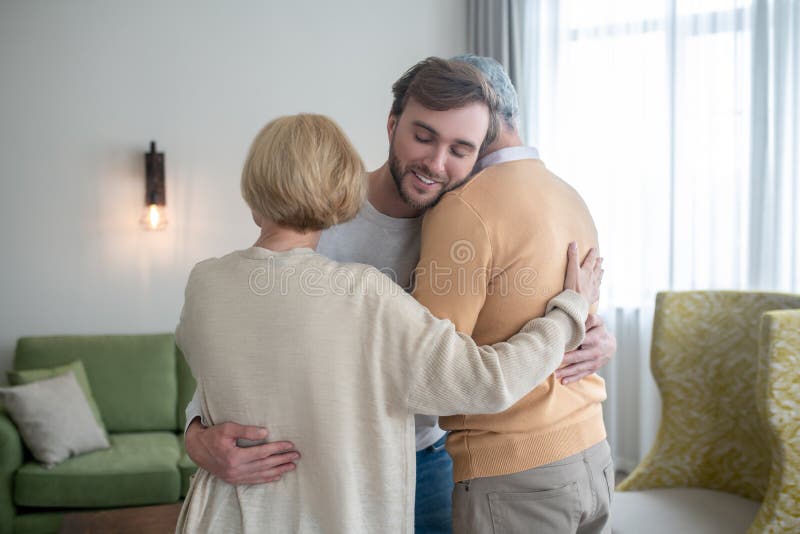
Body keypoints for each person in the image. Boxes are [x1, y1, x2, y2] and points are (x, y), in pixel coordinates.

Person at [183, 57, 617, 533]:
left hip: (428, 457)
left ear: (479, 156)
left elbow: (524, 307)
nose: (436, 163)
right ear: (393, 125)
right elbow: (239, 348)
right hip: (321, 460)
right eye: (423, 136)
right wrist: (196, 432)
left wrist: (594, 333)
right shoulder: (319, 219)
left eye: (459, 149)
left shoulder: (473, 222)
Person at [412, 54, 614, 533]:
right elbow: (586, 326)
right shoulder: (570, 194)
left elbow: (430, 370)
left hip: (515, 472)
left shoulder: (464, 209)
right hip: (594, 452)